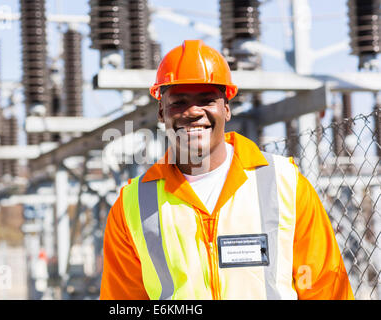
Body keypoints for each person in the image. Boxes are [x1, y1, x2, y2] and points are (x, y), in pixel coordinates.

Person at [99, 40, 354, 300]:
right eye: (178, 102)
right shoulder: (132, 206)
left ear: (227, 109)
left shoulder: (285, 185)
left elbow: (326, 288)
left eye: (207, 100)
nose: (193, 112)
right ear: (161, 112)